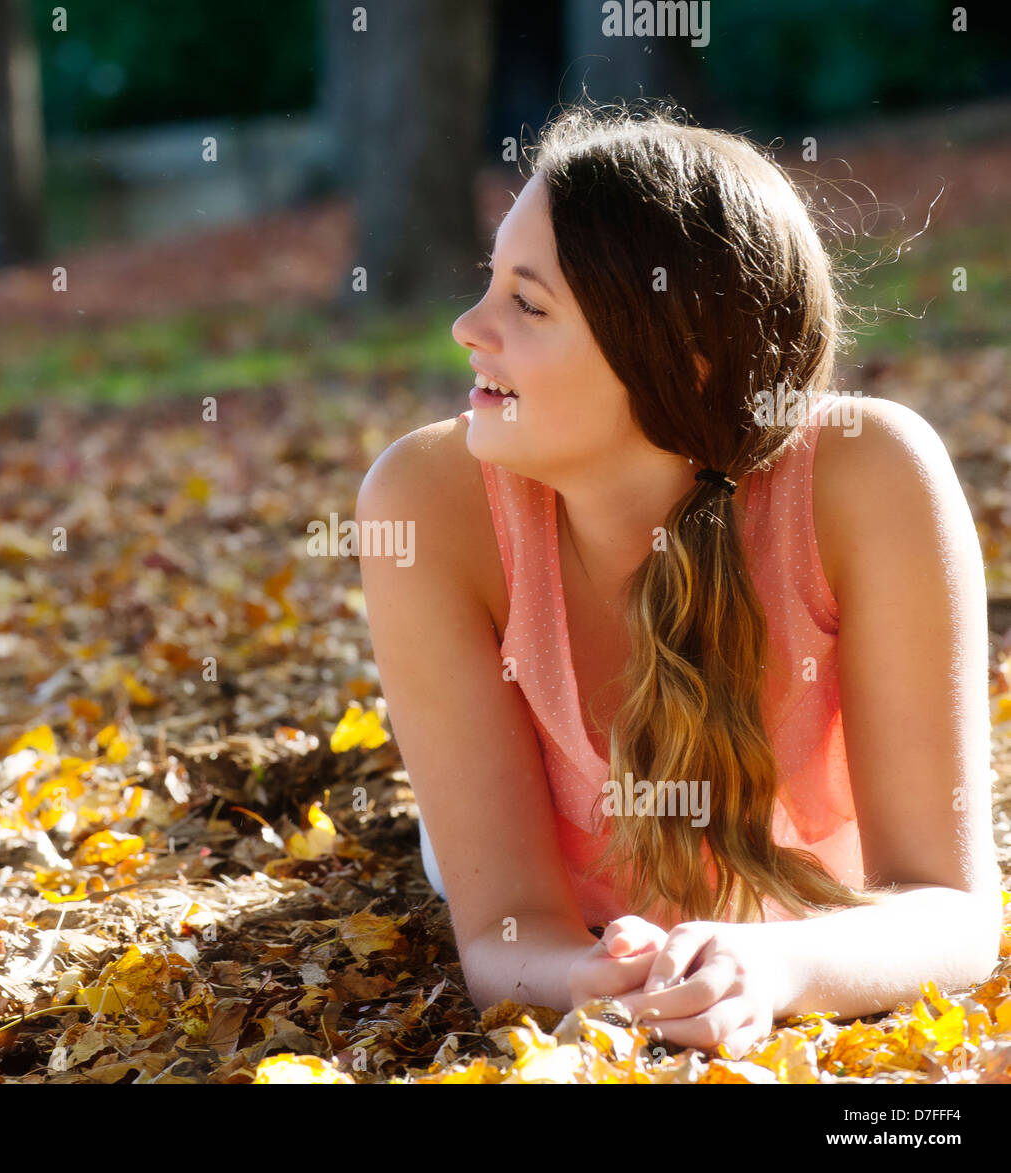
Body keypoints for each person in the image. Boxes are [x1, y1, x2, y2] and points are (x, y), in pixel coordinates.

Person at [355, 101, 1003, 1059]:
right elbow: (504, 933)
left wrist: (777, 968)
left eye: (527, 305)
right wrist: (593, 978)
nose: (467, 327)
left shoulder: (872, 473)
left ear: (688, 362)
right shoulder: (427, 503)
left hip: (815, 911)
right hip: (576, 897)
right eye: (490, 285)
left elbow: (953, 910)